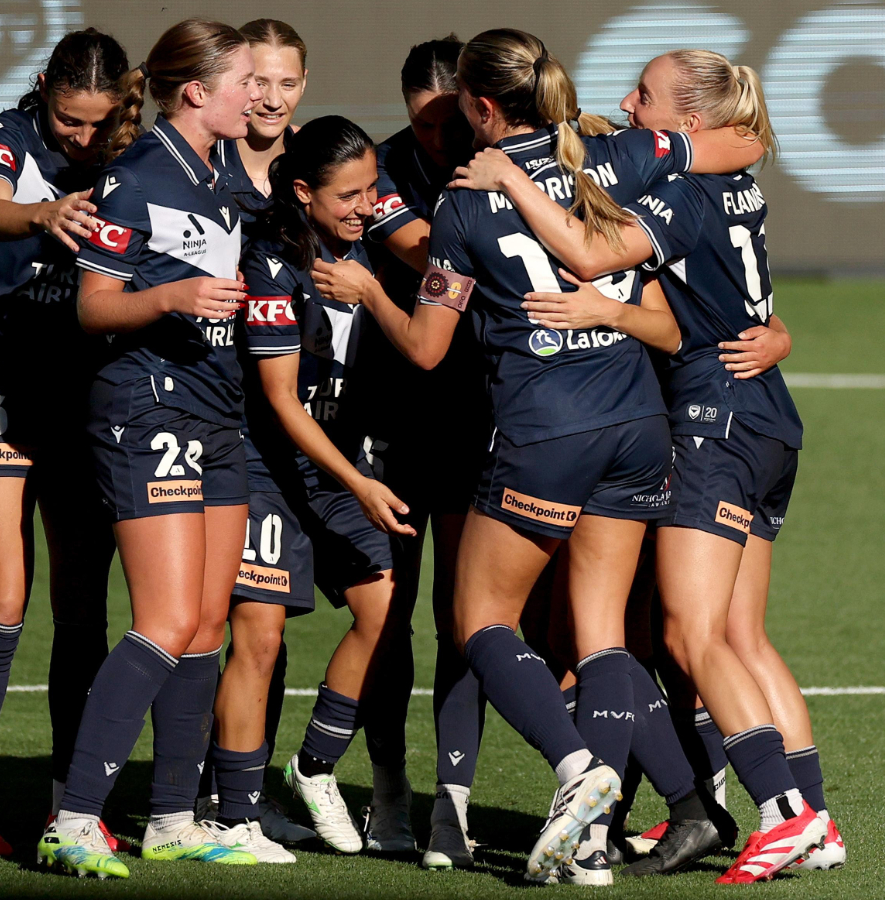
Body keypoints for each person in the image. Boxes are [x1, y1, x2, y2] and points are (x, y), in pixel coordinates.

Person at [314, 27, 765, 883]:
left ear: (482, 106)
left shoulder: (462, 202)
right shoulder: (613, 152)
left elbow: (427, 349)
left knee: (478, 618)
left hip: (544, 429)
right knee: (600, 638)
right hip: (639, 423)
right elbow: (739, 138)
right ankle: (634, 831)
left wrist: (371, 286)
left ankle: (578, 770)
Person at [452, 49, 833, 883]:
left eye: (645, 95)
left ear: (688, 122)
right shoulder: (727, 169)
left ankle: (781, 813)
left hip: (710, 416)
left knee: (689, 634)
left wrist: (519, 199)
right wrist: (779, 333)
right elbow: (738, 175)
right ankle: (807, 816)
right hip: (763, 411)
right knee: (736, 634)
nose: (627, 105)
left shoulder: (680, 185)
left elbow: (593, 258)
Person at [36, 18, 263, 879]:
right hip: (148, 406)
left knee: (207, 624)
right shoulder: (134, 177)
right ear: (197, 90)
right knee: (166, 620)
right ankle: (74, 816)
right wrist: (172, 296)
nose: (259, 94)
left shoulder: (218, 174)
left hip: (216, 410)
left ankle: (172, 816)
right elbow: (94, 305)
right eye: (244, 79)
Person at [0, 28, 128, 857]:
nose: (80, 137)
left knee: (83, 605)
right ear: (44, 88)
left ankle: (69, 806)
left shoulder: (133, 155)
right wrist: (40, 213)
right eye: (67, 118)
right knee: (3, 596)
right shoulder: (4, 135)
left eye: (96, 123)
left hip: (85, 384)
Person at [227, 114, 418, 863]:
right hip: (267, 467)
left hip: (337, 462)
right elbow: (278, 401)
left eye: (372, 187)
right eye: (348, 193)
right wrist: (362, 484)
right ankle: (233, 809)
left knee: (383, 609)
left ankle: (312, 769)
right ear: (303, 192)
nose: (366, 204)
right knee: (261, 638)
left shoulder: (365, 252)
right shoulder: (271, 261)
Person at [351, 34, 492, 866]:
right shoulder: (386, 171)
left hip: (484, 415)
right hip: (392, 415)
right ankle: (390, 789)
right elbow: (427, 251)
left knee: (463, 619)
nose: (438, 140)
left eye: (449, 123)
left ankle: (455, 805)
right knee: (388, 615)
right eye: (422, 125)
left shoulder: (504, 158)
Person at [197, 17, 316, 854]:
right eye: (258, 80)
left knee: (265, 630)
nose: (270, 97)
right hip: (217, 423)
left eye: (286, 81)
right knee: (240, 628)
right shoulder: (200, 162)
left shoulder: (319, 168)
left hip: (295, 432)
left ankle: (238, 786)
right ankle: (214, 797)